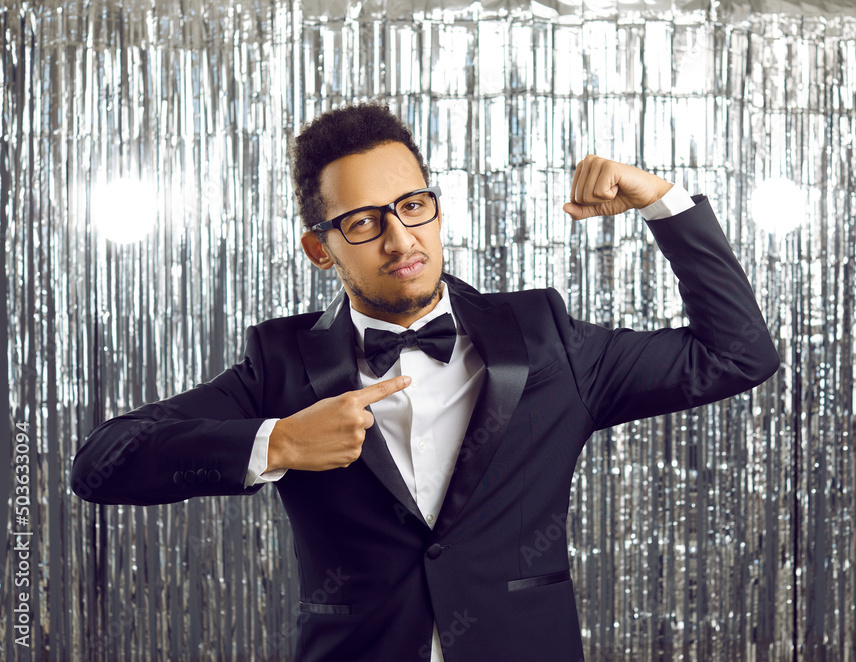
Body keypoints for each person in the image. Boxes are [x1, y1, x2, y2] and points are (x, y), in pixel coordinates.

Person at [72, 102, 779, 661]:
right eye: (362, 222)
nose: (401, 239)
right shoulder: (282, 364)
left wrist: (662, 203)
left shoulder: (548, 340)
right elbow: (102, 463)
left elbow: (737, 354)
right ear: (320, 249)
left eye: (412, 206)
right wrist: (278, 443)